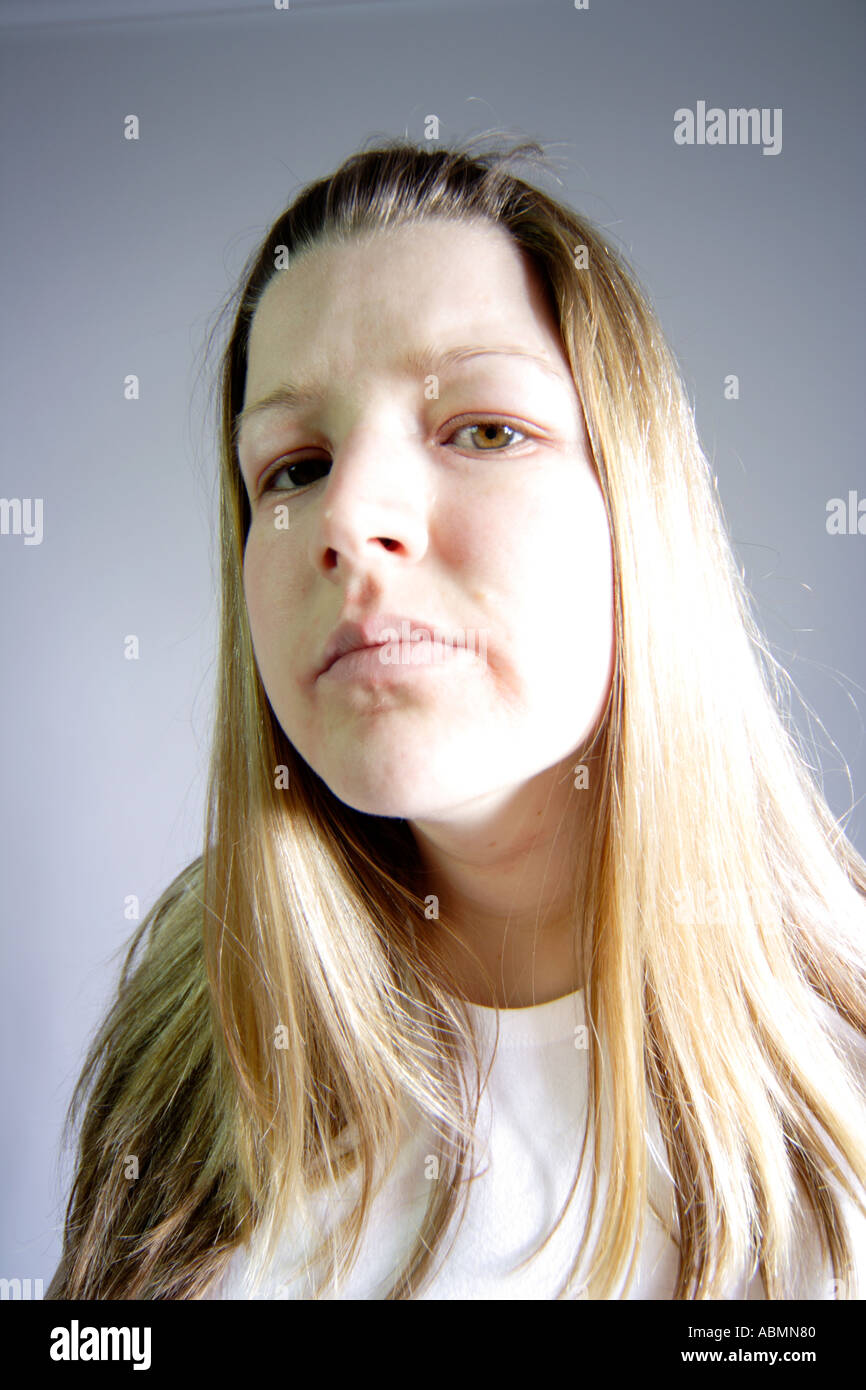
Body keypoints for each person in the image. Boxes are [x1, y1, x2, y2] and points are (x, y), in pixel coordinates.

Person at [47, 136, 866, 1301]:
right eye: (291, 466)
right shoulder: (189, 1031)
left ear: (637, 509)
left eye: (482, 428)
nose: (348, 515)